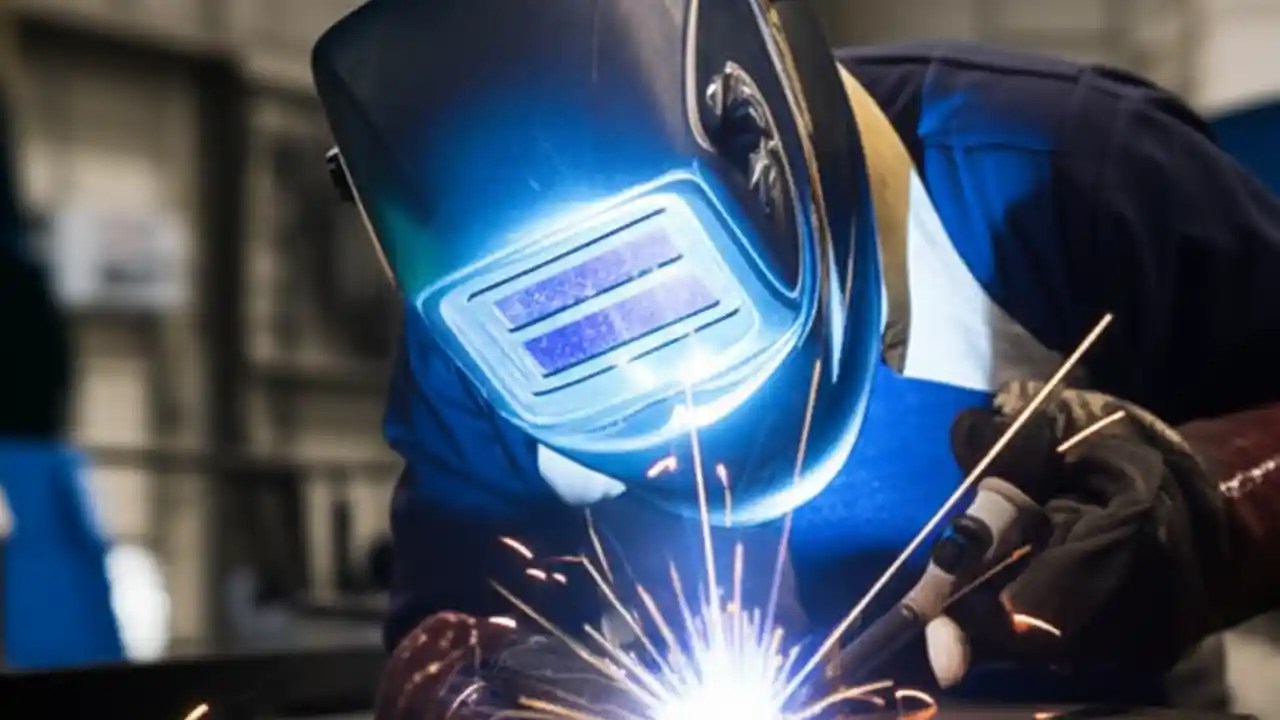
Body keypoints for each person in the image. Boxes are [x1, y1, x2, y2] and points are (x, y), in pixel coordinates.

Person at [311, 0, 1280, 715]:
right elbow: (450, 638)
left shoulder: (1064, 173)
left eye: (676, 294)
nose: (668, 390)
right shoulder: (473, 356)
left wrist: (1209, 508)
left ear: (758, 148)